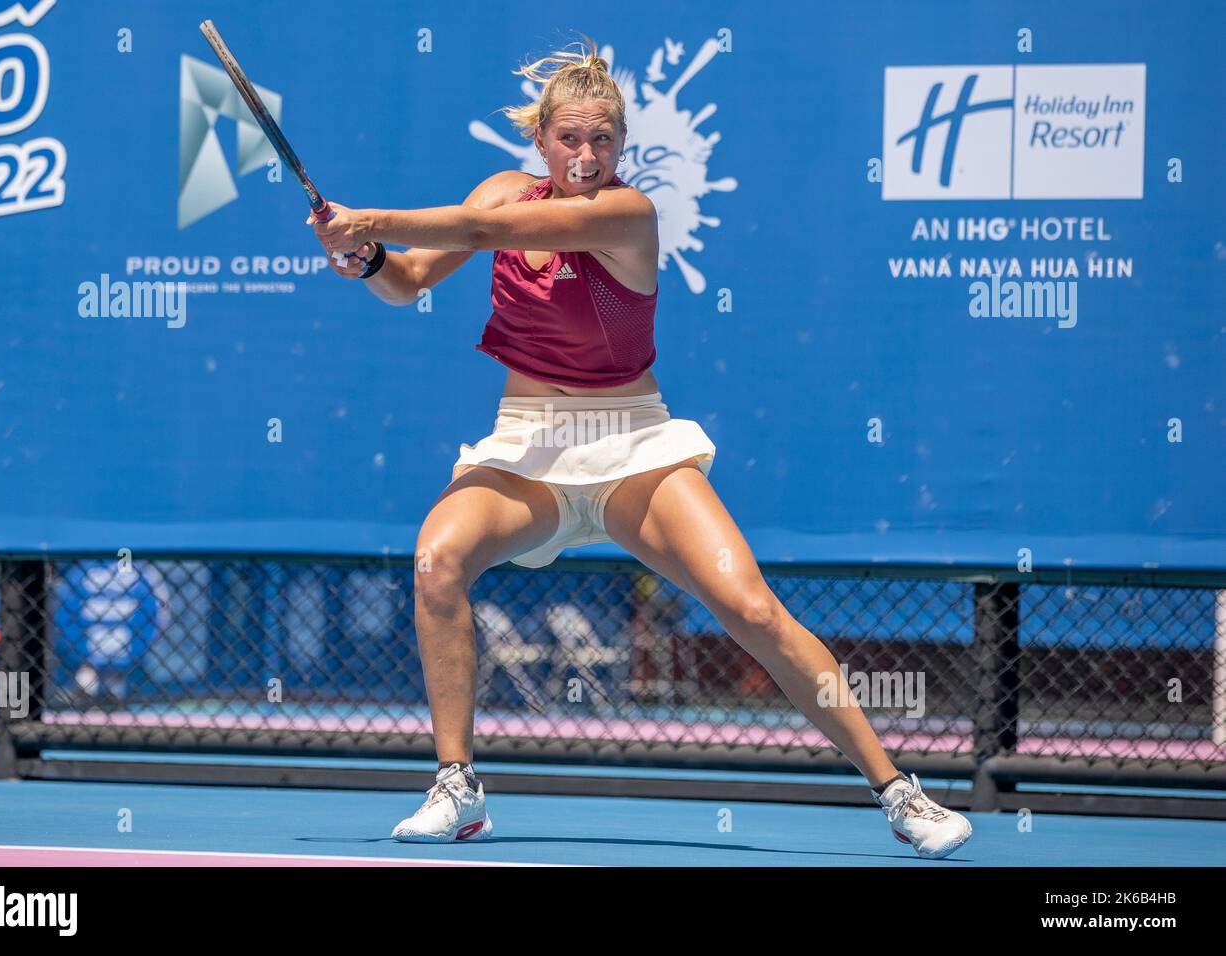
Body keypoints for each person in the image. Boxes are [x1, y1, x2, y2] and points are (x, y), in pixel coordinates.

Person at [308, 36, 972, 859]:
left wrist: (371, 217)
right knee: (437, 563)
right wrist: (367, 256)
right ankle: (458, 784)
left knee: (751, 608)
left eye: (604, 140)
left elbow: (483, 227)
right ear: (541, 138)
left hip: (635, 447)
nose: (587, 156)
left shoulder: (628, 213)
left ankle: (899, 792)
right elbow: (406, 283)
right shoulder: (501, 189)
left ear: (622, 146)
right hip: (527, 449)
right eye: (570, 138)